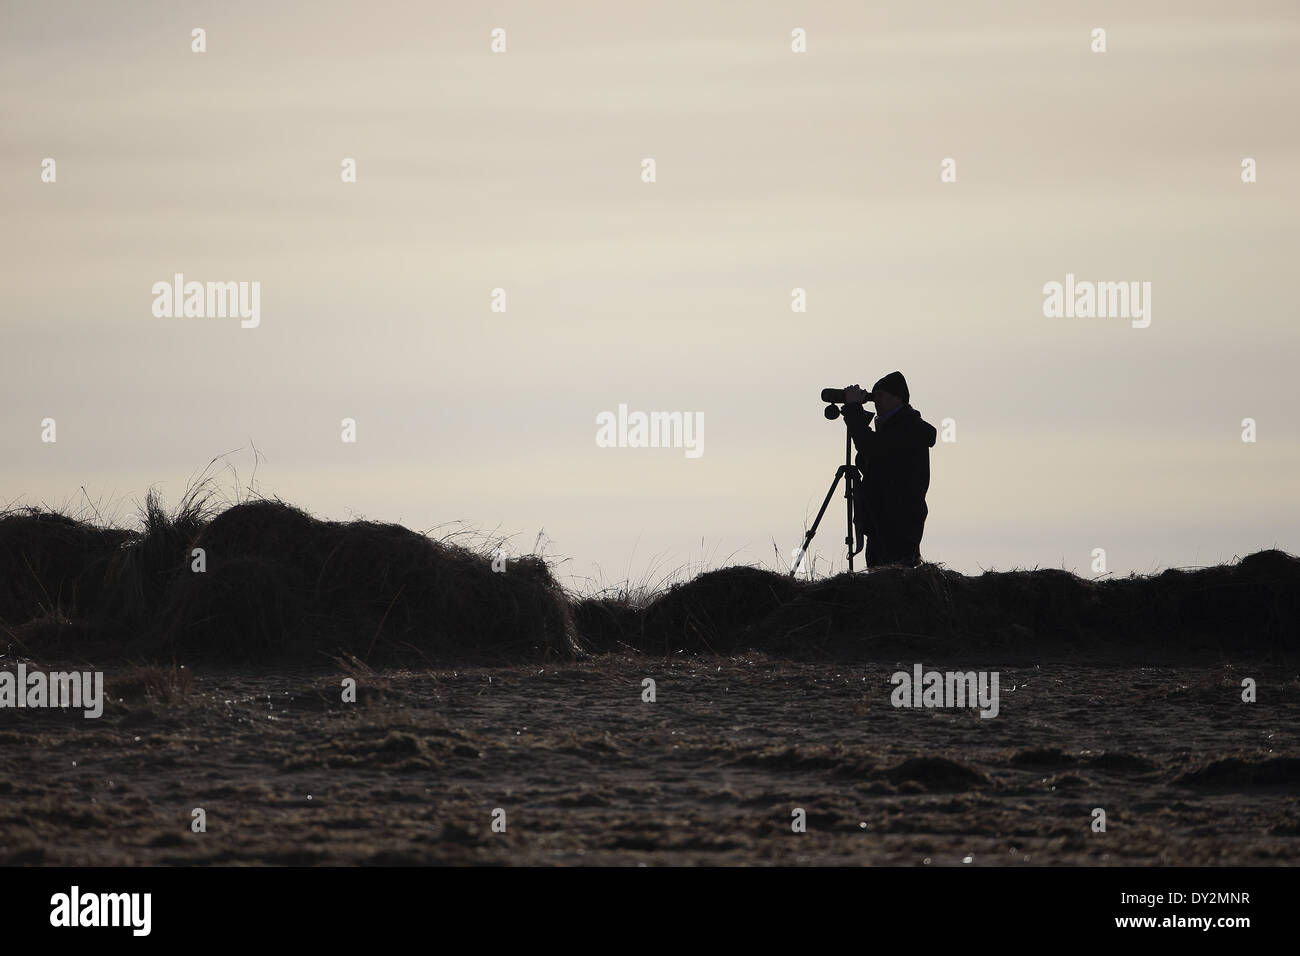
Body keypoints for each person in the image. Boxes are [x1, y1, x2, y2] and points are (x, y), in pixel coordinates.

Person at [841, 371, 936, 568]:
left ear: (898, 398)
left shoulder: (909, 427)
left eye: (881, 396)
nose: (876, 401)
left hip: (899, 522)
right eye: (874, 396)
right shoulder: (892, 428)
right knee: (878, 580)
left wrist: (853, 410)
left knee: (896, 581)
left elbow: (871, 447)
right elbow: (874, 457)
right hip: (881, 520)